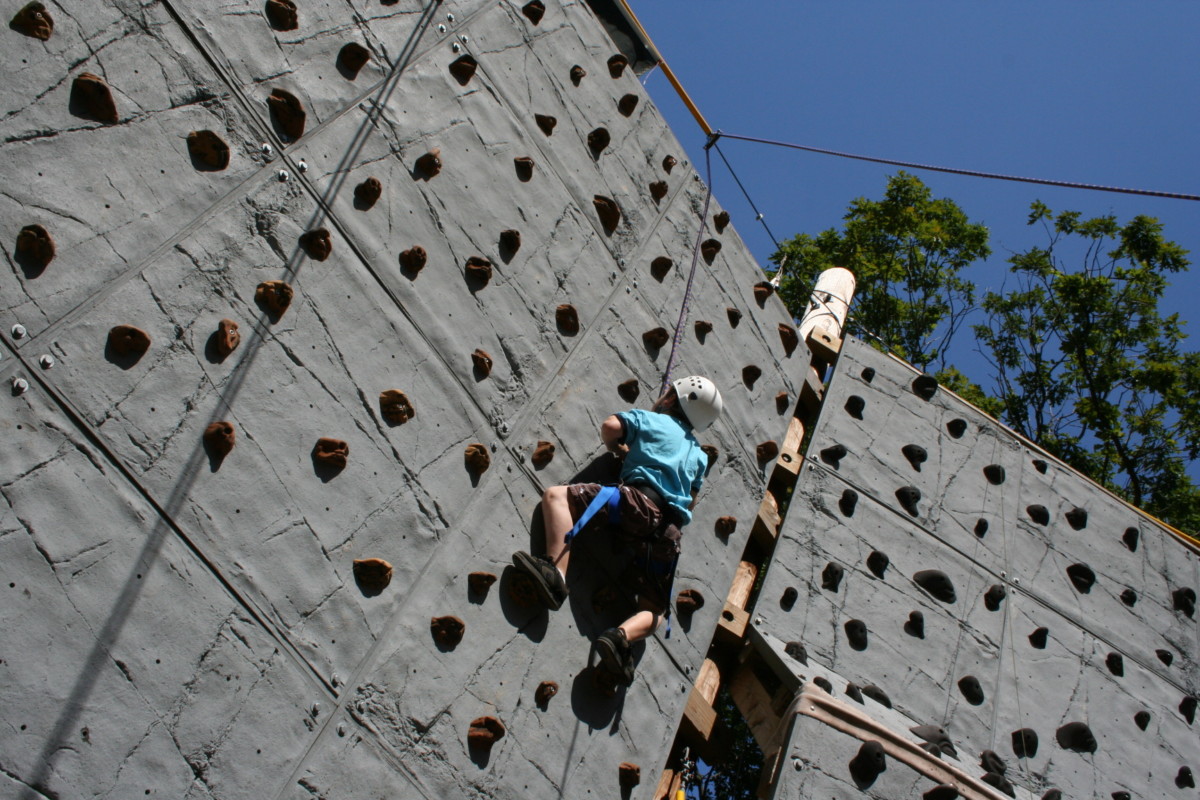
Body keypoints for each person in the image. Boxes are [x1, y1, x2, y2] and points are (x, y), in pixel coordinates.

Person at [512, 375, 723, 684]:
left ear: (669, 399)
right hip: (667, 536)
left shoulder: (652, 419)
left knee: (556, 497)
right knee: (656, 611)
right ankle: (621, 637)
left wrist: (619, 448)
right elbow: (690, 502)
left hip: (635, 503)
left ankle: (554, 575)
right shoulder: (700, 456)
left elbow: (611, 427)